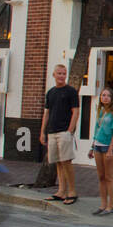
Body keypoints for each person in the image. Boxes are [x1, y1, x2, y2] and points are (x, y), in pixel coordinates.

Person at [41, 64, 80, 205]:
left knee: (66, 161)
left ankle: (72, 191)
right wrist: (42, 132)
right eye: (59, 73)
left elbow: (76, 111)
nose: (62, 76)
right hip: (52, 131)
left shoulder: (71, 91)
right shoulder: (50, 92)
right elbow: (47, 113)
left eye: (64, 73)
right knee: (58, 162)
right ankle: (61, 191)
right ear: (54, 74)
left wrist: (70, 130)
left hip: (64, 132)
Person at [87, 87, 113, 216]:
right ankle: (102, 204)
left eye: (108, 95)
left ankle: (110, 206)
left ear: (112, 98)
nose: (105, 97)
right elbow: (98, 129)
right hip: (98, 146)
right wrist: (92, 147)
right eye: (103, 95)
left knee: (109, 176)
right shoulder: (101, 111)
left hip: (109, 147)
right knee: (101, 177)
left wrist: (110, 150)